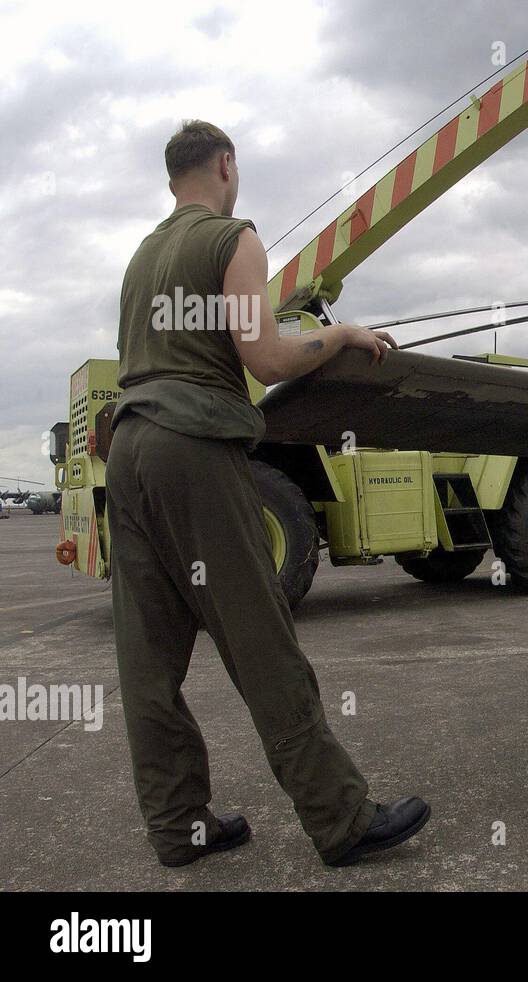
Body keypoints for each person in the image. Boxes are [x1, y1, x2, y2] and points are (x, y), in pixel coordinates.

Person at [108, 120, 429, 868]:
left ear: (170, 178)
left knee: (147, 660)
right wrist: (343, 334)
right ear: (226, 164)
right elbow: (265, 355)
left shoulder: (142, 255)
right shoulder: (232, 237)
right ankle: (341, 818)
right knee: (261, 640)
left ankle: (178, 826)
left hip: (128, 451)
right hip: (193, 445)